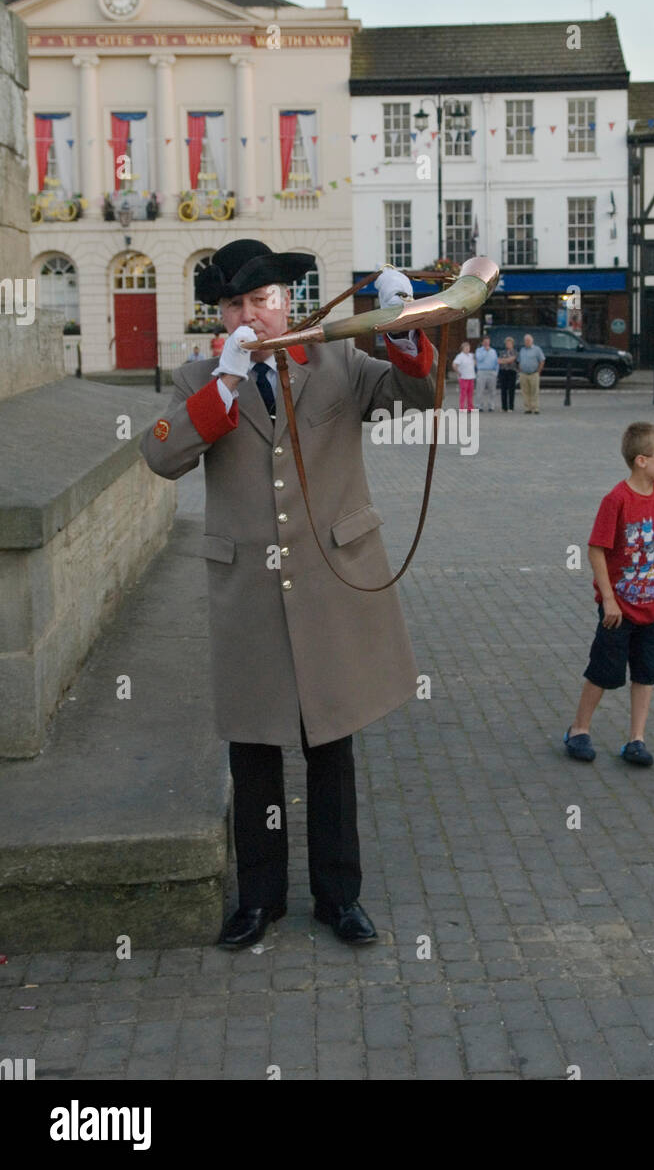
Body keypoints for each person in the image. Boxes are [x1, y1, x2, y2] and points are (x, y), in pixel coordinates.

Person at [141, 240, 438, 949]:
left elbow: (416, 394)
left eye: (262, 301)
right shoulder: (198, 379)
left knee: (331, 745)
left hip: (332, 584)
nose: (250, 316)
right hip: (247, 589)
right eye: (235, 305)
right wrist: (224, 388)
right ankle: (260, 901)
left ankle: (340, 898)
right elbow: (159, 454)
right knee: (254, 750)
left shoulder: (337, 359)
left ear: (288, 301)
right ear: (220, 314)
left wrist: (400, 328)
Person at [564, 422, 654, 767]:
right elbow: (596, 550)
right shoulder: (616, 500)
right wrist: (608, 598)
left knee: (646, 673)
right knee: (603, 670)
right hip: (619, 608)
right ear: (641, 461)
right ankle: (579, 729)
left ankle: (636, 738)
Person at [518, 333, 545, 413]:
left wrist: (538, 371)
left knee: (534, 391)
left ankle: (535, 408)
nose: (527, 342)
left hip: (534, 373)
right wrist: (520, 370)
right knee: (525, 392)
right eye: (526, 340)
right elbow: (519, 361)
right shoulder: (522, 350)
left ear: (532, 341)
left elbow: (542, 360)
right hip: (523, 374)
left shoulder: (537, 350)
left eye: (529, 340)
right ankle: (527, 408)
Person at [474, 335, 499, 411]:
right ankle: (479, 406)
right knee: (480, 390)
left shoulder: (493, 351)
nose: (486, 343)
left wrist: (496, 372)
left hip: (492, 372)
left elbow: (496, 362)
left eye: (488, 342)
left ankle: (491, 406)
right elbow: (479, 359)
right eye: (485, 342)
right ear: (482, 343)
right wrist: (485, 351)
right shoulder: (479, 350)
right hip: (482, 372)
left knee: (492, 391)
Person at [452, 340, 476, 411]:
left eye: (468, 348)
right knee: (463, 394)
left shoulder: (471, 355)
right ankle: (462, 408)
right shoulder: (460, 356)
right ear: (462, 348)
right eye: (466, 348)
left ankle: (470, 408)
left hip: (471, 377)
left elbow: (474, 363)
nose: (468, 349)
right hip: (463, 378)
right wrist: (458, 372)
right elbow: (454, 365)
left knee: (470, 394)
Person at [497, 336, 518, 411]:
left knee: (511, 390)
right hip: (503, 371)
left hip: (512, 372)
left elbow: (512, 360)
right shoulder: (502, 352)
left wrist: (505, 360)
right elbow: (498, 361)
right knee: (503, 389)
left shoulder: (515, 352)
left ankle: (511, 407)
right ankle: (504, 407)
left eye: (509, 343)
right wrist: (507, 360)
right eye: (507, 343)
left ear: (512, 344)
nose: (508, 344)